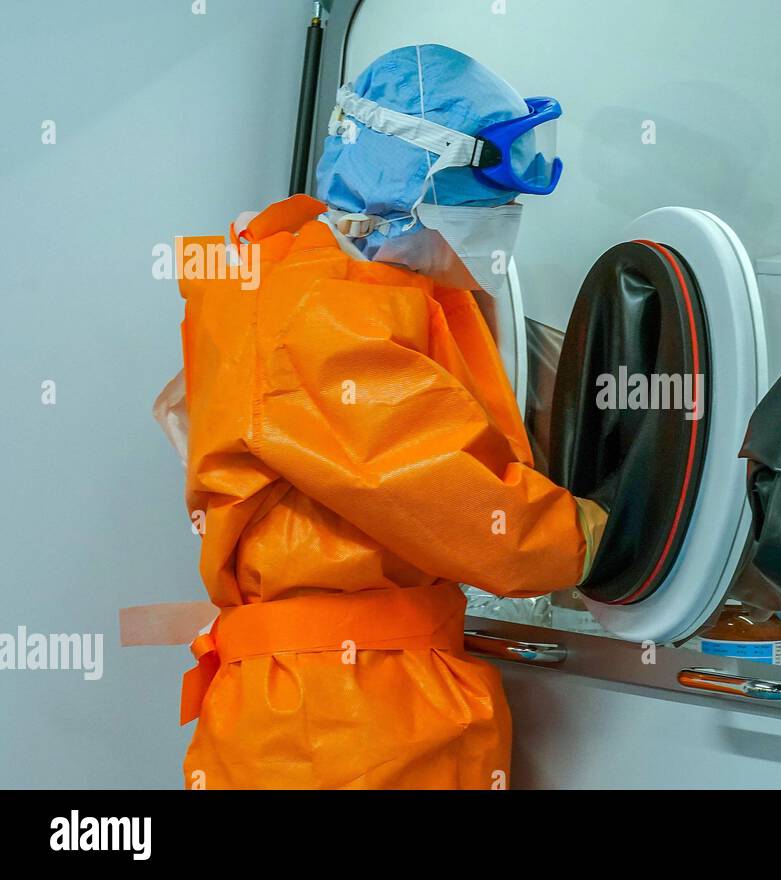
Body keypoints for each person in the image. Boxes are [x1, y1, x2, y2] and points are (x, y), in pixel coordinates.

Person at [172, 45, 604, 789]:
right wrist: (600, 536)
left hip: (361, 697)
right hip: (338, 720)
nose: (502, 224)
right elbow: (453, 497)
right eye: (488, 205)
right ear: (415, 188)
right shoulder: (319, 316)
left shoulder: (332, 286)